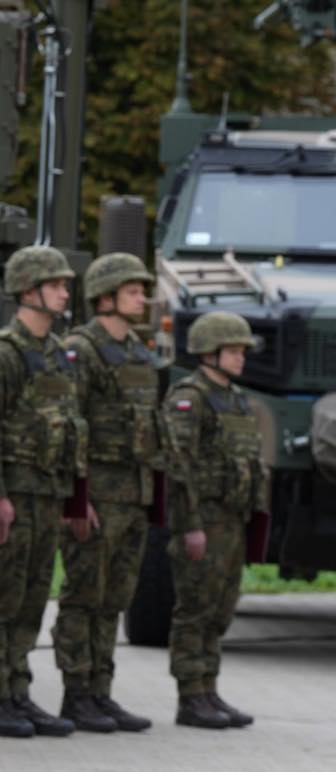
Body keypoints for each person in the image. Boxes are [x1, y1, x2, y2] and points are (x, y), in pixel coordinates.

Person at [0, 245, 87, 739]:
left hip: (48, 494)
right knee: (2, 597)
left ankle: (18, 689)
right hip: (14, 496)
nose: (64, 293)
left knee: (34, 598)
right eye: (56, 284)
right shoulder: (4, 353)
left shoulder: (57, 352)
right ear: (28, 290)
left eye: (65, 285)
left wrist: (72, 498)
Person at [53, 253, 158, 733]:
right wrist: (77, 499)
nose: (143, 299)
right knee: (83, 595)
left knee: (114, 597)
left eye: (143, 291)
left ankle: (101, 690)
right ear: (105, 297)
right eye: (133, 291)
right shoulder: (81, 350)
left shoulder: (138, 351)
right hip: (96, 495)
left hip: (132, 495)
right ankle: (76, 693)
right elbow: (69, 426)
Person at [164, 310, 263, 730]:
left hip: (232, 519)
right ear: (210, 352)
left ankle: (208, 687)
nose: (242, 358)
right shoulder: (190, 398)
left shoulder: (236, 399)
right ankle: (190, 695)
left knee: (220, 608)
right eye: (234, 350)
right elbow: (178, 467)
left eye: (242, 351)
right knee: (196, 607)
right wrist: (190, 526)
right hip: (203, 518)